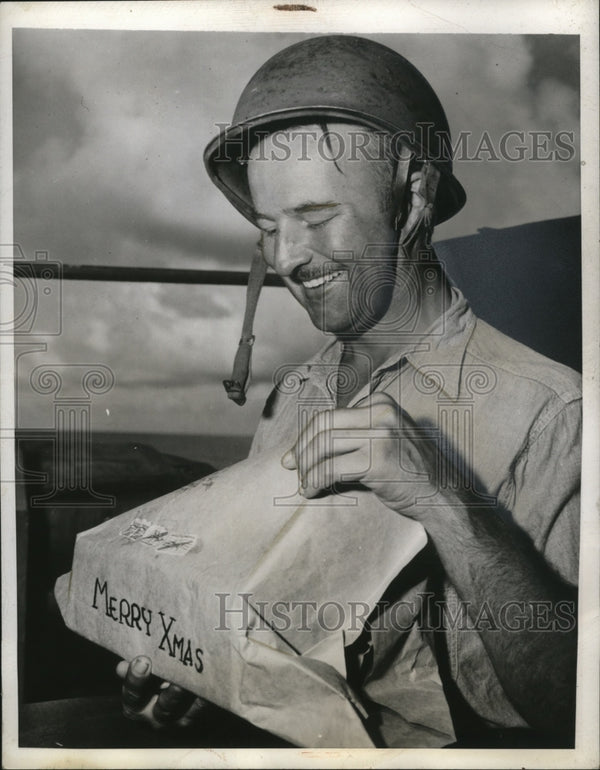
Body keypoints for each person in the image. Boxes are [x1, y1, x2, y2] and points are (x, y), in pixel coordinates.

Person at [117, 35, 580, 748]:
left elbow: (580, 706)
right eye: (268, 229)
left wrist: (445, 501)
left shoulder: (554, 415)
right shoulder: (294, 396)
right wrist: (197, 673)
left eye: (316, 217)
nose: (286, 258)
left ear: (414, 193)